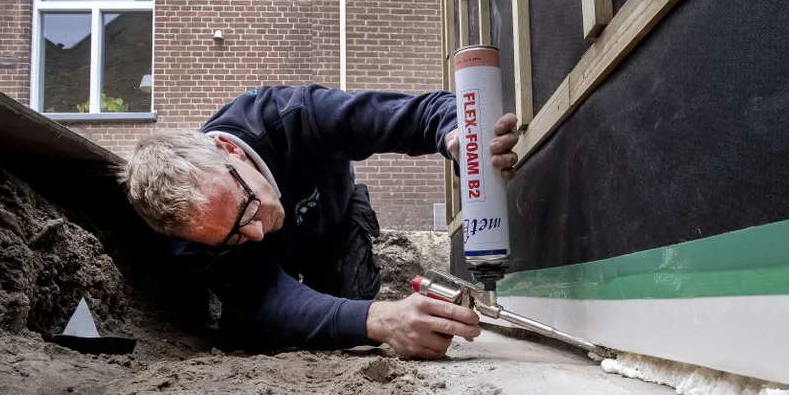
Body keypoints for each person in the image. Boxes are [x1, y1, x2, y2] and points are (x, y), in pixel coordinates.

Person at [117, 84, 520, 359]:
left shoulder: (297, 115)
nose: (255, 232)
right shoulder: (191, 234)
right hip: (269, 270)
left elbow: (416, 115)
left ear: (230, 151)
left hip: (335, 222)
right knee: (259, 334)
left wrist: (458, 138)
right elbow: (268, 298)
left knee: (351, 305)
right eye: (232, 237)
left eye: (246, 208)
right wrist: (384, 319)